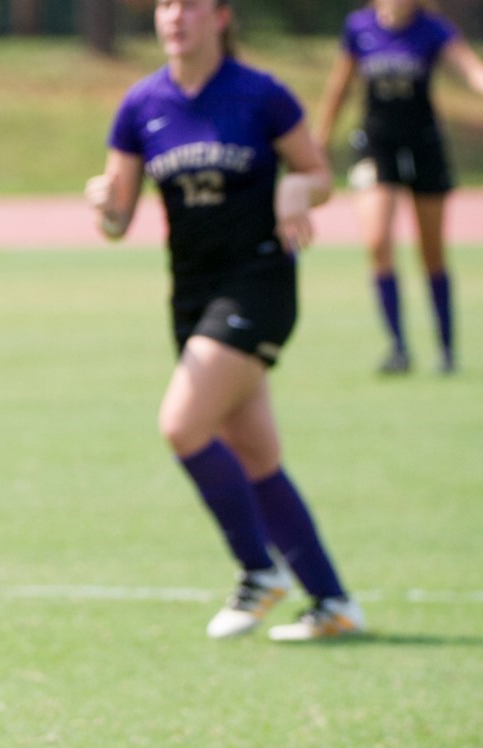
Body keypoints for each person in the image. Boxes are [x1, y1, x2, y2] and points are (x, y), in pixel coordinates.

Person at [87, 0, 366, 640]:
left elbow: (318, 173)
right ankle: (333, 602)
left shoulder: (260, 93)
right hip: (191, 295)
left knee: (181, 425)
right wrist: (104, 206)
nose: (174, 16)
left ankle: (258, 571)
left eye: (189, 5)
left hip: (258, 283)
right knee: (256, 453)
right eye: (165, 5)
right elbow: (118, 221)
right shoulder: (140, 104)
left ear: (220, 16)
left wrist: (298, 188)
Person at [313, 0, 483, 374]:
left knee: (432, 252)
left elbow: (471, 70)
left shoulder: (432, 28)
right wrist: (321, 139)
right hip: (377, 147)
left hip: (424, 146)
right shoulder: (359, 27)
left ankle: (446, 349)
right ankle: (399, 348)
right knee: (377, 243)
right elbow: (340, 86)